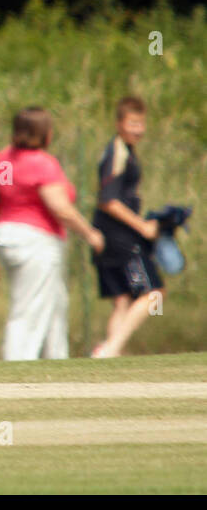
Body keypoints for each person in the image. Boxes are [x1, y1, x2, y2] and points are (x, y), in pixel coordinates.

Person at [0, 106, 104, 360]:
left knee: (55, 304)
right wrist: (90, 233)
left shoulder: (3, 158)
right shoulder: (42, 163)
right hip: (35, 240)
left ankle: (56, 361)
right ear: (43, 133)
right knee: (28, 309)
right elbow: (61, 208)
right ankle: (16, 369)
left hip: (7, 234)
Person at [90, 96, 164, 358]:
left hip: (107, 235)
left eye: (141, 123)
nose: (138, 129)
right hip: (119, 237)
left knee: (122, 299)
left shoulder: (126, 151)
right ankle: (111, 349)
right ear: (119, 123)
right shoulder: (117, 152)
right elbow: (108, 200)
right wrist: (142, 227)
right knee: (153, 294)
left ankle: (108, 358)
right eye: (132, 123)